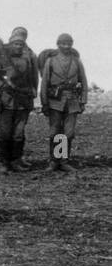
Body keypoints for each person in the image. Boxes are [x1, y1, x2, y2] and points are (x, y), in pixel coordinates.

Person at [38, 33, 88, 172]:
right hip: (55, 101)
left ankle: (64, 161)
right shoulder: (51, 61)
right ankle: (54, 161)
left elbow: (83, 81)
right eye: (63, 44)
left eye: (69, 44)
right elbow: (44, 83)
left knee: (69, 133)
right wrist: (45, 103)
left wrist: (83, 101)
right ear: (58, 44)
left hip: (72, 101)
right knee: (55, 132)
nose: (66, 46)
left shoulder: (77, 61)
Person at [0, 28, 38, 173]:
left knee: (19, 134)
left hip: (23, 101)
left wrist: (32, 95)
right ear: (11, 44)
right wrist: (3, 86)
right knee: (6, 133)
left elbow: (34, 80)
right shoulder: (3, 60)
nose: (18, 46)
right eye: (16, 44)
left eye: (21, 44)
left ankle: (16, 160)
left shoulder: (30, 59)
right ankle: (4, 162)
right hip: (7, 101)